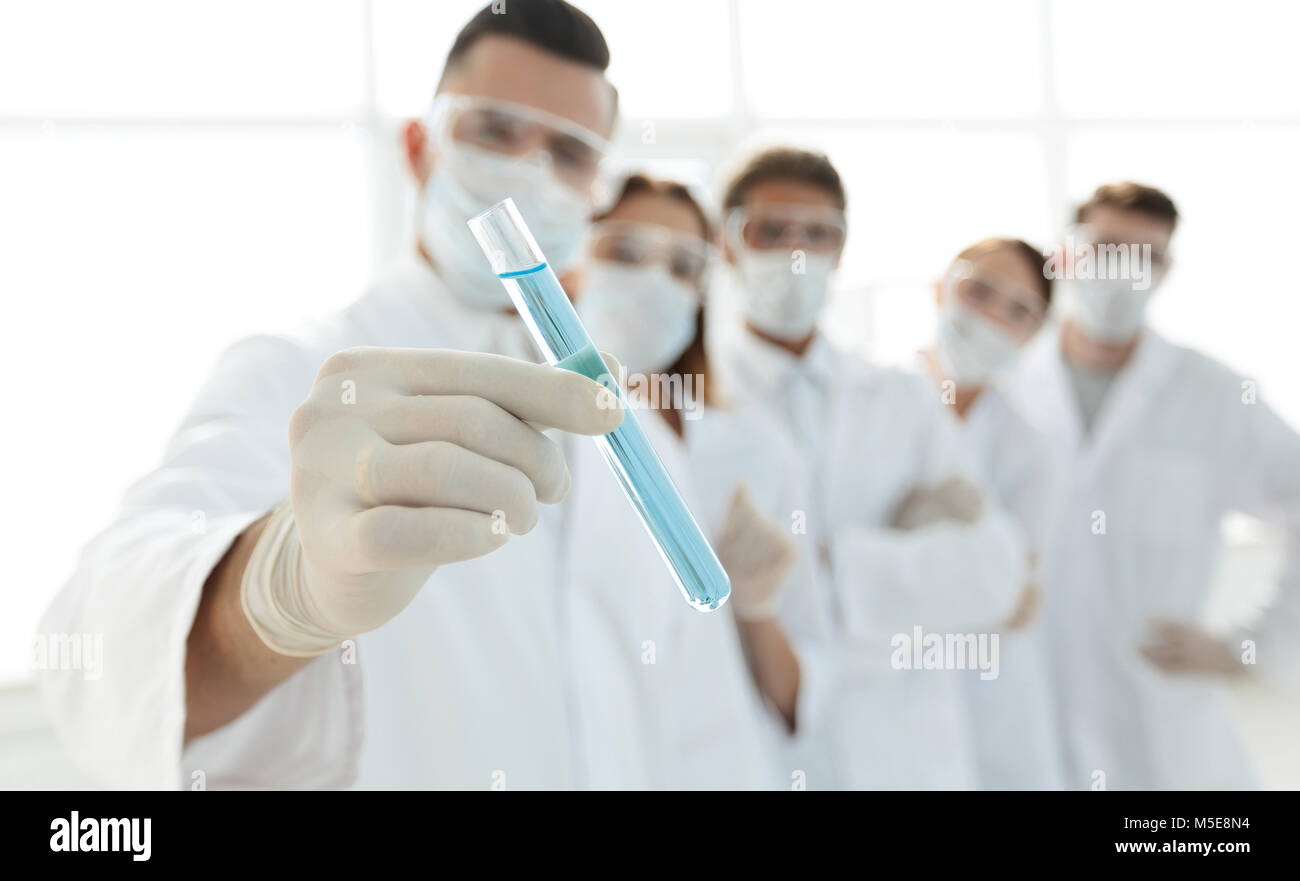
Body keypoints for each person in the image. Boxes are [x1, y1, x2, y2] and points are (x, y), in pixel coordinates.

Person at [39, 0, 650, 790]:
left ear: (594, 187)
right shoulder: (297, 368)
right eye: (496, 131)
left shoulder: (619, 417)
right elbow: (103, 632)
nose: (530, 173)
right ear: (417, 147)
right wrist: (280, 590)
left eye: (569, 152)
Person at [709, 147, 1029, 789]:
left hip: (907, 753)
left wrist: (821, 565)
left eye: (818, 234)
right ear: (727, 244)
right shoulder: (700, 404)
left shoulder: (903, 398)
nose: (796, 253)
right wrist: (900, 569)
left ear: (842, 251)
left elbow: (998, 577)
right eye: (770, 232)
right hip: (760, 748)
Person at [1002, 182, 1300, 790]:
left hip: (1162, 743)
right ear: (1063, 255)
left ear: (1165, 272)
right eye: (1107, 248)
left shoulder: (1213, 395)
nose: (1122, 272)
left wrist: (1257, 648)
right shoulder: (1000, 389)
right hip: (1021, 722)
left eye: (1145, 257)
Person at [557, 173, 775, 787]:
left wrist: (758, 602)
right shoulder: (509, 403)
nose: (653, 282)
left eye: (682, 266)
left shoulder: (659, 450)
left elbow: (708, 714)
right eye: (625, 252)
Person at [918, 237, 1067, 789]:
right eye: (978, 291)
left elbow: (1010, 599)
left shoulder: (1033, 447)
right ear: (940, 288)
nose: (991, 317)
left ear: (1034, 334)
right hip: (881, 682)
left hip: (992, 692)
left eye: (1018, 311)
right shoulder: (868, 402)